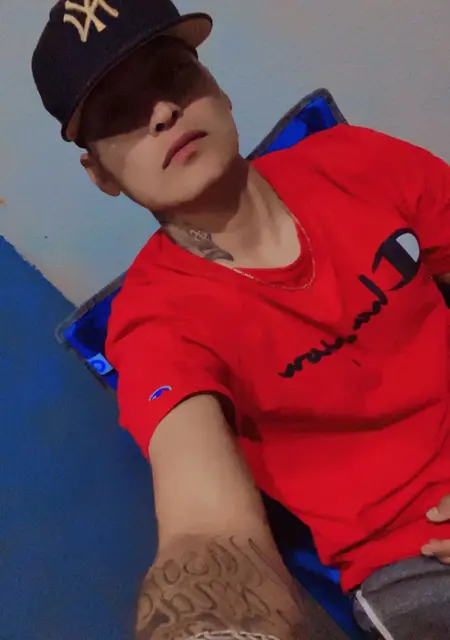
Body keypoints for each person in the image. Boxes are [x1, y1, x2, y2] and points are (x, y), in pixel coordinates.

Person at [32, 1, 450, 638]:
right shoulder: (153, 323)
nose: (162, 112)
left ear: (216, 88)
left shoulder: (358, 161)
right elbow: (205, 527)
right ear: (100, 174)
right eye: (118, 112)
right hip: (412, 562)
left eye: (171, 74)